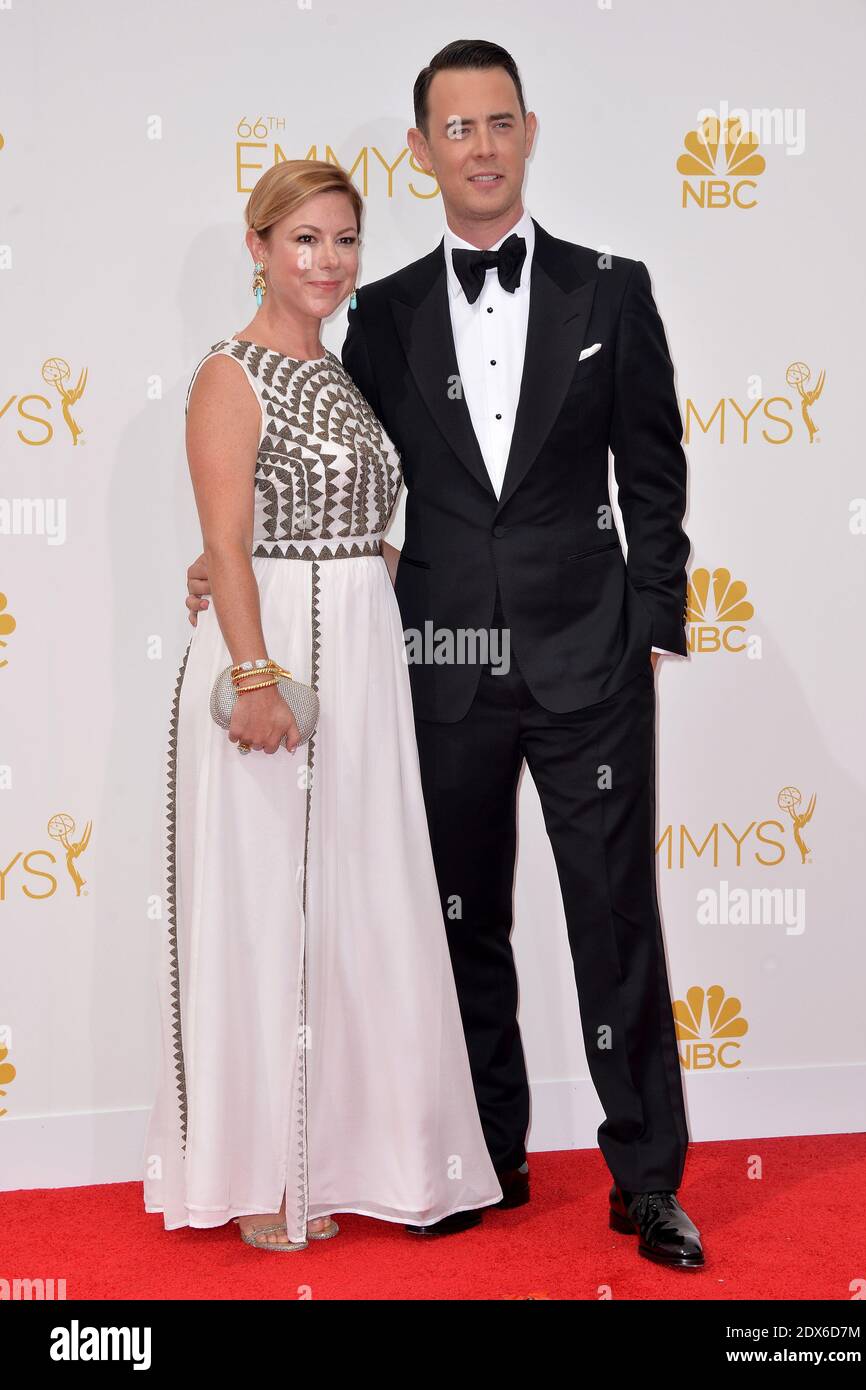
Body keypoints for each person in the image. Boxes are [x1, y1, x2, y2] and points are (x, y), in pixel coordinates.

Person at [187, 39, 704, 1269]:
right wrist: (227, 556)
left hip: (590, 668)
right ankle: (488, 1159)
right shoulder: (382, 312)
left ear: (527, 131)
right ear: (420, 152)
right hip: (436, 665)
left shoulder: (611, 289)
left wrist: (648, 629)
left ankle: (647, 1181)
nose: (477, 147)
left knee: (614, 922)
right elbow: (332, 469)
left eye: (495, 123)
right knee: (456, 924)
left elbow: (656, 472)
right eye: (452, 130)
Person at [143, 158, 503, 1251]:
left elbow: (387, 513)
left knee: (352, 898)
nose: (327, 261)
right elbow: (225, 543)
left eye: (343, 239)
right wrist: (255, 674)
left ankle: (349, 1155)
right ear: (257, 246)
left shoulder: (345, 374)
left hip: (355, 652)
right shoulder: (227, 373)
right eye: (303, 239)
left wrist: (360, 592)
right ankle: (260, 1173)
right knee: (266, 905)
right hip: (275, 662)